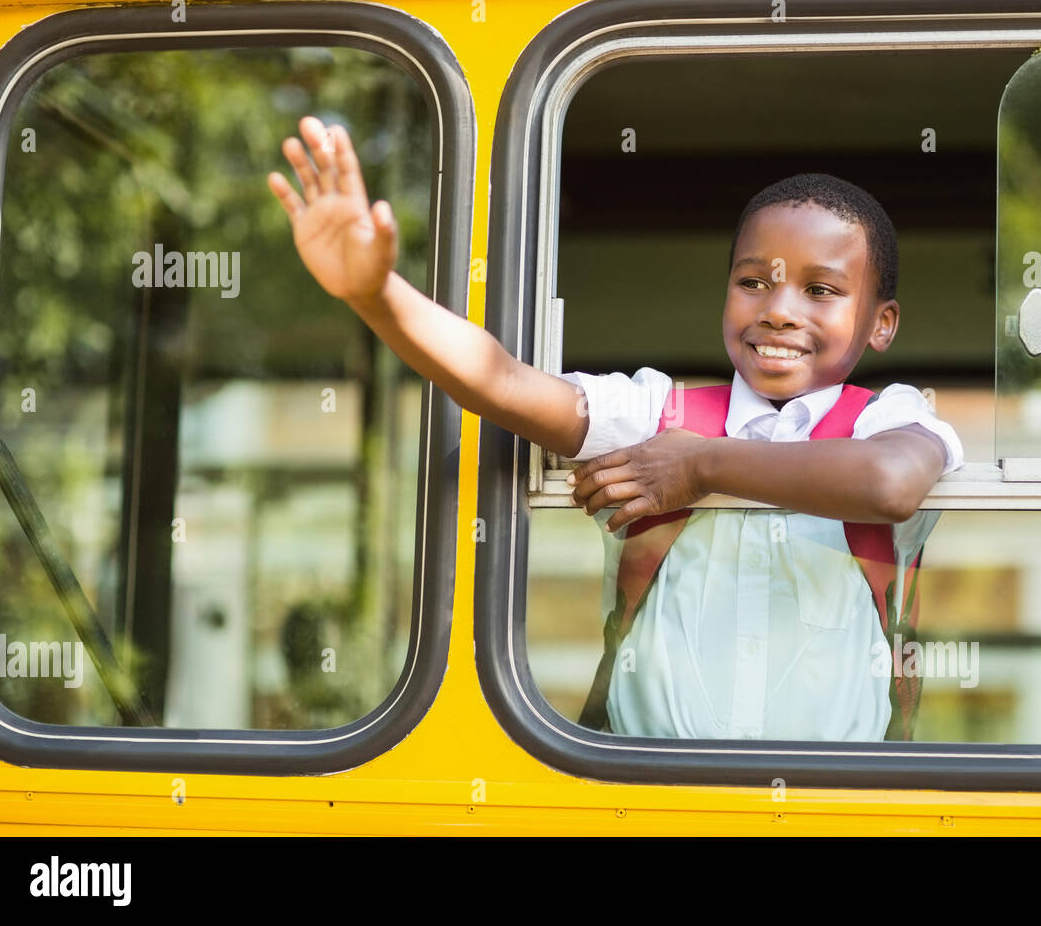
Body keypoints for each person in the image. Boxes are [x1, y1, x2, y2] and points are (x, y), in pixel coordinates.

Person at [267, 116, 964, 743]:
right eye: (754, 282)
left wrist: (701, 469)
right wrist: (376, 294)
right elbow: (499, 380)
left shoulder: (886, 417)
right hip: (647, 791)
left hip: (837, 803)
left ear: (882, 323)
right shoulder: (656, 412)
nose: (779, 311)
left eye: (820, 290)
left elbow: (889, 482)